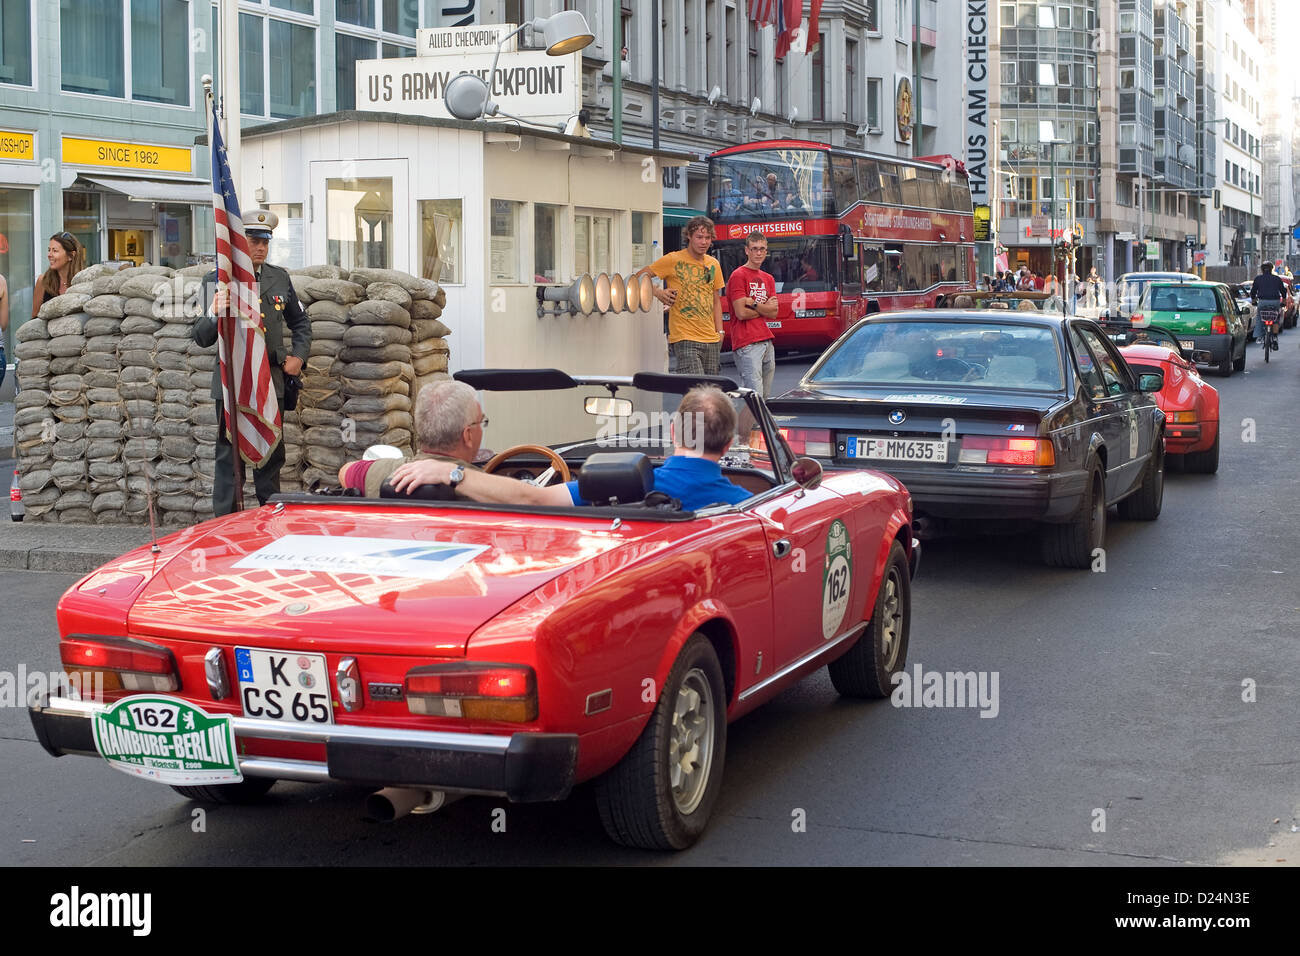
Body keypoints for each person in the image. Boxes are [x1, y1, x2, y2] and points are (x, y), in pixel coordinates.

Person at [386, 385, 750, 511]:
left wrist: (453, 474)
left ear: (674, 430)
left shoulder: (617, 486)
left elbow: (533, 498)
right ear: (730, 443)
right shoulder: (744, 504)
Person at [194, 209, 312, 514]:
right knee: (227, 458)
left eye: (265, 241)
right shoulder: (217, 279)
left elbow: (300, 323)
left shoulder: (279, 277)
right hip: (231, 383)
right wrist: (214, 311)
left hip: (270, 381)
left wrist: (298, 356)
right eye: (253, 240)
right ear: (238, 241)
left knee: (271, 455)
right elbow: (201, 336)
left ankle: (269, 519)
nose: (260, 247)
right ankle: (225, 525)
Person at [337, 380, 485, 497]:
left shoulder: (390, 472)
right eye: (481, 421)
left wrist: (390, 467)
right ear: (468, 435)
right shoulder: (488, 488)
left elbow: (344, 472)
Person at [635, 215, 726, 376]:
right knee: (695, 388)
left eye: (707, 238)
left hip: (711, 338)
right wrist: (657, 292)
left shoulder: (713, 264)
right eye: (699, 237)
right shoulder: (673, 259)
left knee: (711, 392)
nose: (704, 242)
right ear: (689, 236)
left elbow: (716, 300)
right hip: (685, 337)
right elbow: (639, 277)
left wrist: (720, 332)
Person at [725, 232, 779, 398]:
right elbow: (741, 313)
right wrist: (764, 309)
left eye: (762, 249)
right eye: (754, 249)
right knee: (754, 398)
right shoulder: (738, 276)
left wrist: (754, 304)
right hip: (746, 342)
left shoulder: (768, 278)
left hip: (766, 341)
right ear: (746, 250)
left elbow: (774, 312)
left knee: (764, 399)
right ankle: (748, 426)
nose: (759, 253)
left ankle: (758, 426)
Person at [31, 232, 85, 317]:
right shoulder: (43, 281)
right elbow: (34, 318)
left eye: (55, 251)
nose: (49, 255)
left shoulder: (84, 282)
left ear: (71, 256)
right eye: (49, 250)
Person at [1249, 261, 1286, 350]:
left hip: (1262, 302)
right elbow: (1283, 291)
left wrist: (1254, 300)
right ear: (1271, 269)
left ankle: (1260, 336)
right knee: (1275, 319)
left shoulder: (1258, 279)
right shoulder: (1277, 279)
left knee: (1259, 318)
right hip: (1275, 302)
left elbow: (1253, 292)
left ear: (1262, 270)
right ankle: (1275, 338)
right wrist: (1283, 301)